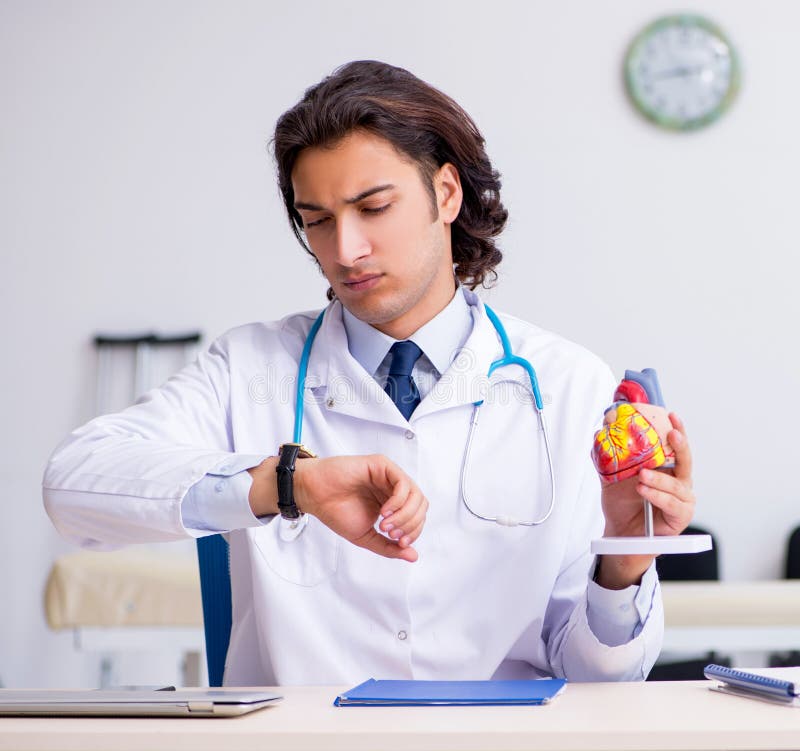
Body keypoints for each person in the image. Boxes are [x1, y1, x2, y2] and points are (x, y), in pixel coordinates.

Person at [43, 60, 696, 686]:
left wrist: (624, 555)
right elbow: (72, 485)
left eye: (373, 207)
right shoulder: (248, 368)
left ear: (445, 192)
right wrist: (289, 482)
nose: (344, 250)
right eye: (317, 221)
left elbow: (600, 677)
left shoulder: (569, 383)